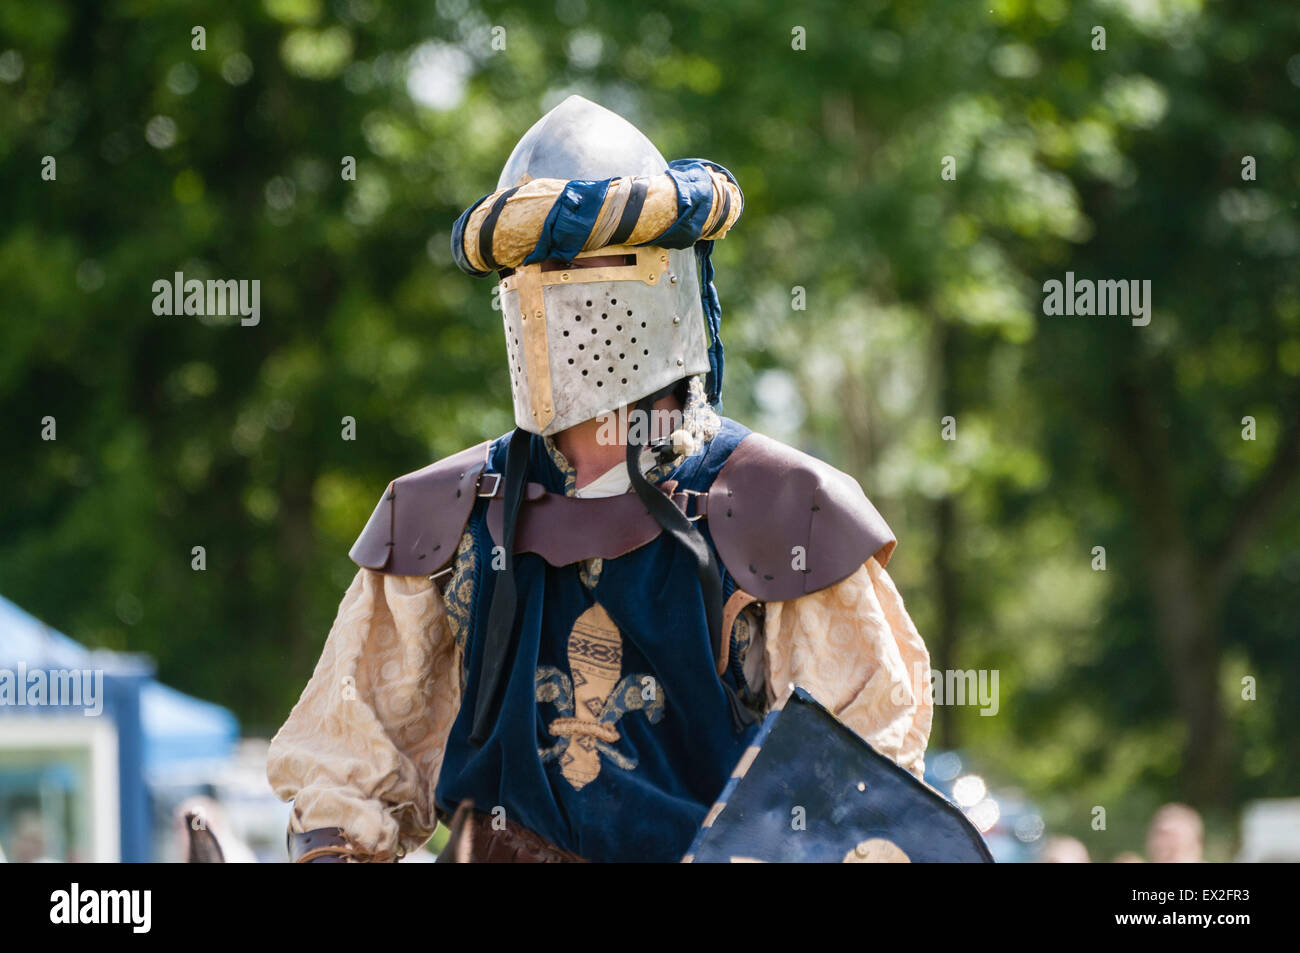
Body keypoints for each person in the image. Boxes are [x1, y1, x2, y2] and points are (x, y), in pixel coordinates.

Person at [267, 95, 932, 863]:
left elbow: (852, 796)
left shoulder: (779, 512)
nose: (551, 299)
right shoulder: (443, 518)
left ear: (662, 279)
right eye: (532, 270)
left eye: (580, 268)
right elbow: (344, 766)